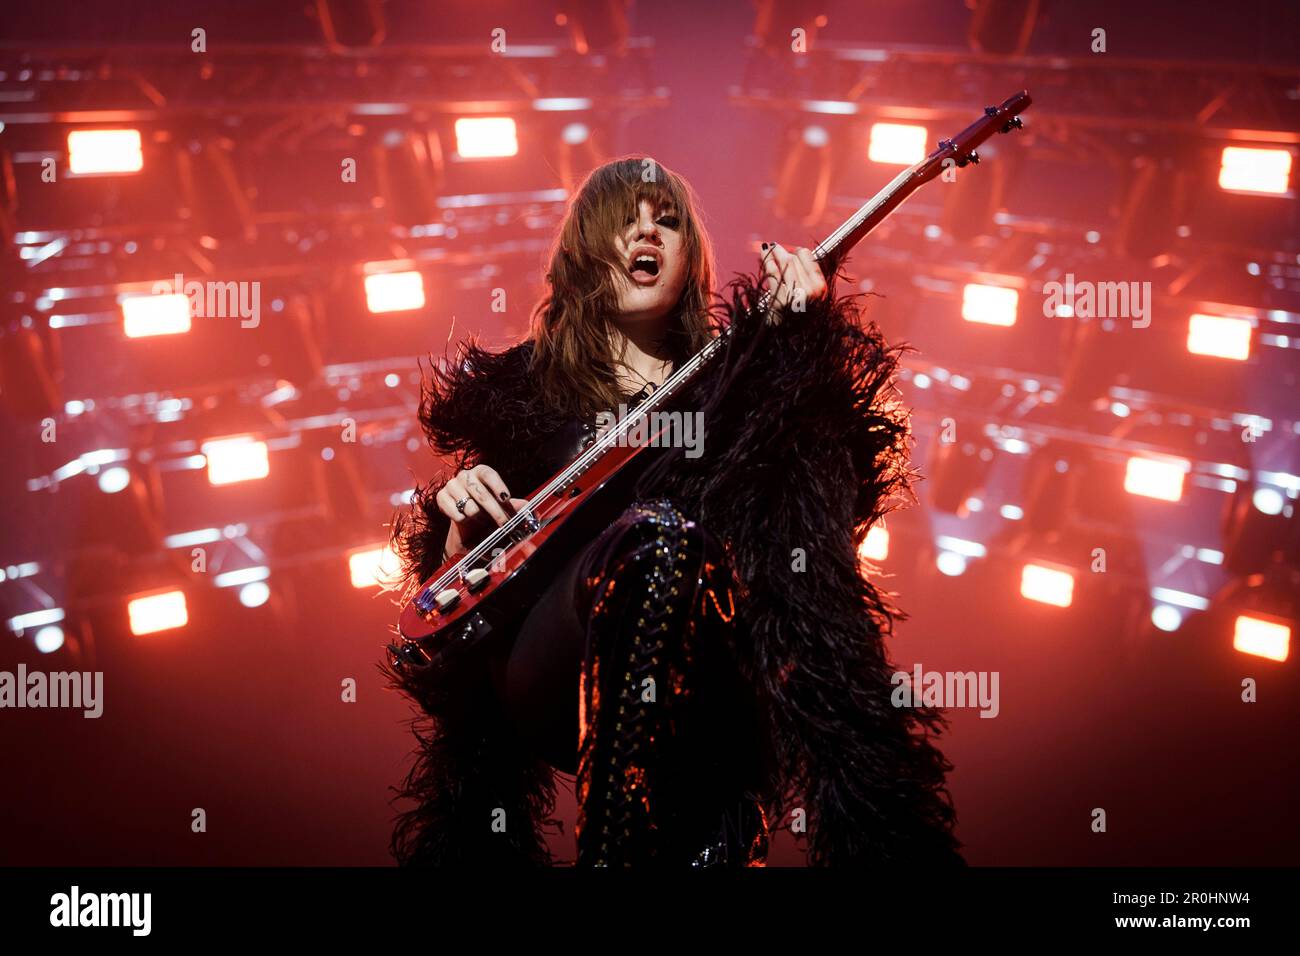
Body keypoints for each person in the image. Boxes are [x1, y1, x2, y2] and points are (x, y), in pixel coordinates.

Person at [384, 156, 962, 867]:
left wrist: (798, 353)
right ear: (582, 253)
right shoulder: (525, 394)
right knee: (656, 543)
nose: (645, 232)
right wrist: (460, 530)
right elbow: (451, 619)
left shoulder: (736, 389)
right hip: (550, 662)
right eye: (623, 220)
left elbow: (817, 527)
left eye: (666, 220)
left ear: (691, 258)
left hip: (708, 688)